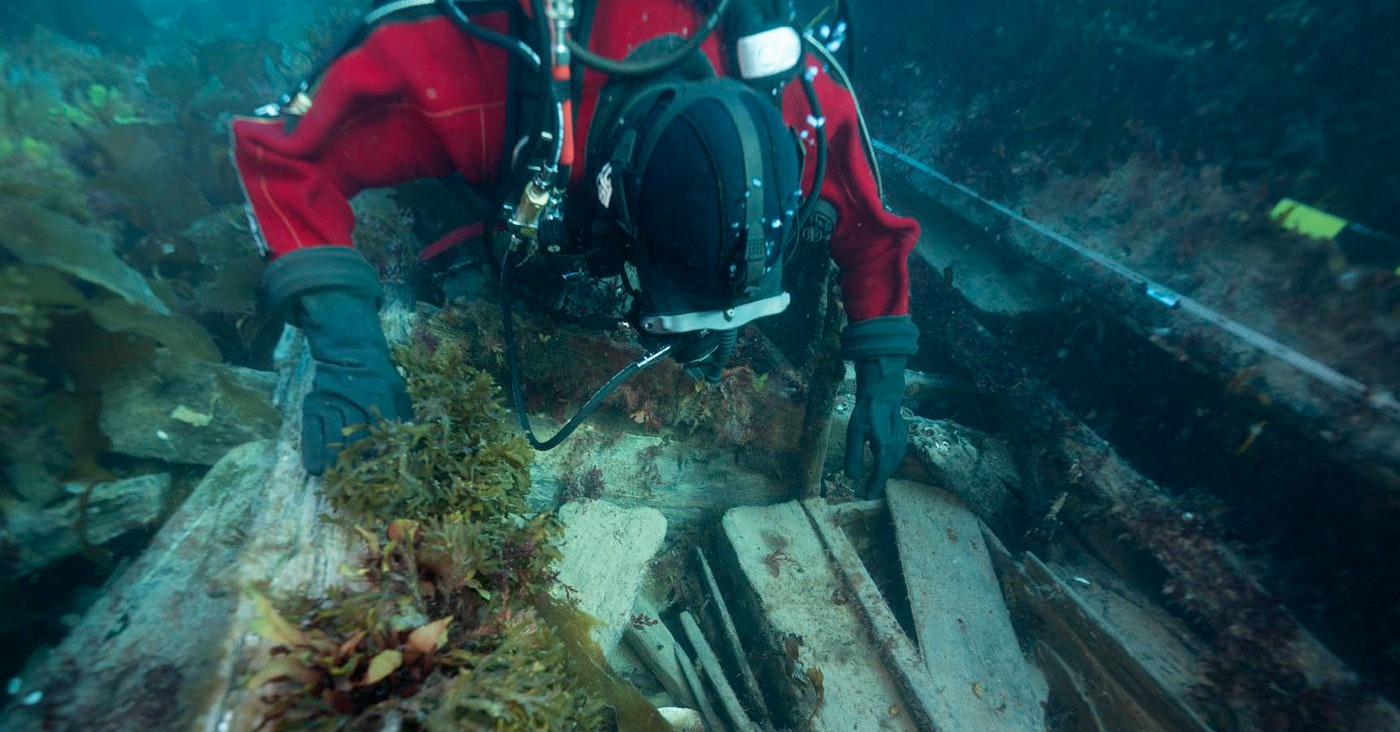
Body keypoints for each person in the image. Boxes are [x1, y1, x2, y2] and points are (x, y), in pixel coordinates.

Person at [231, 0, 920, 498]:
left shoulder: (796, 92)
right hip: (509, 156)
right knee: (447, 219)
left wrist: (882, 381)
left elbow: (871, 232)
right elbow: (286, 159)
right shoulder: (482, 76)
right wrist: (350, 349)